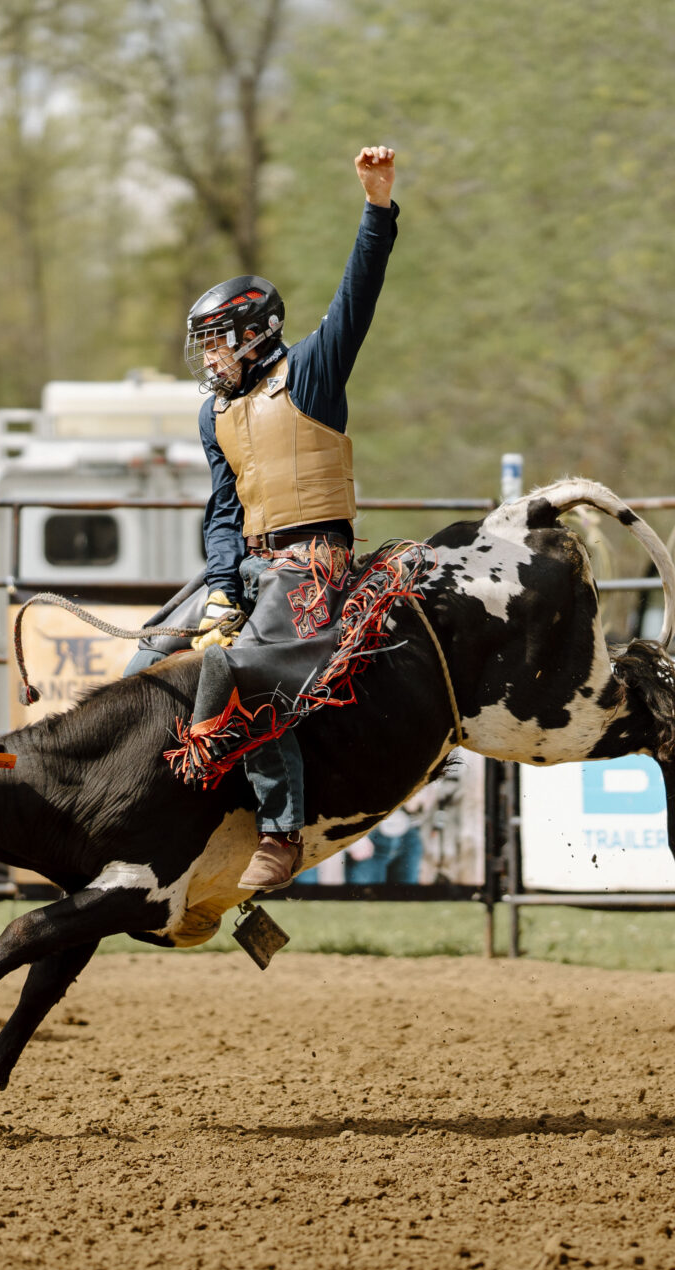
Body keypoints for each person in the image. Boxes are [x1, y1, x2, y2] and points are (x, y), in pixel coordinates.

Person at [126, 145, 401, 891]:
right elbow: (221, 512)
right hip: (246, 564)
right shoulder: (212, 413)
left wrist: (376, 207)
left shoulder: (310, 370)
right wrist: (220, 586)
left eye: (216, 341)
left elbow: (358, 295)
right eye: (204, 344)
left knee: (239, 669)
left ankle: (279, 832)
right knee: (146, 658)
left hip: (312, 562)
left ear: (253, 333)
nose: (208, 357)